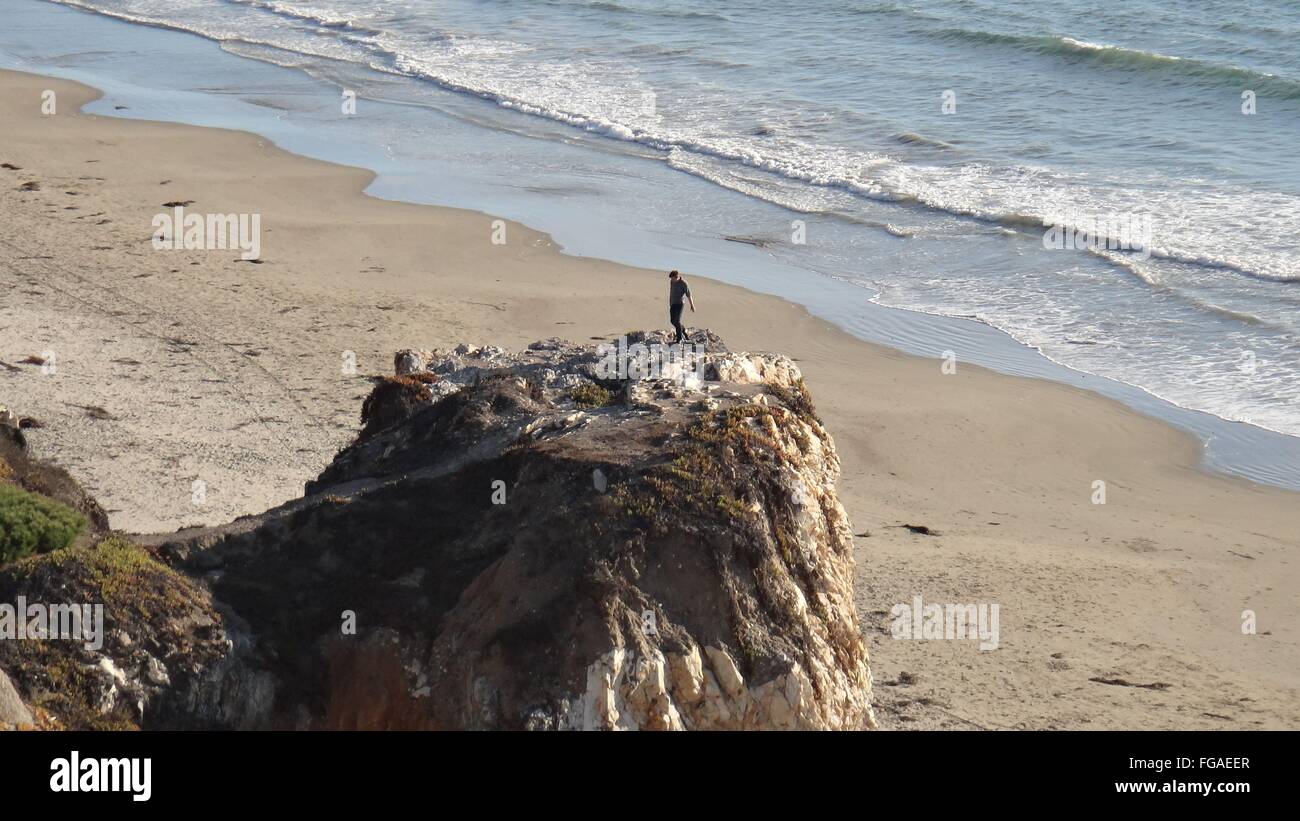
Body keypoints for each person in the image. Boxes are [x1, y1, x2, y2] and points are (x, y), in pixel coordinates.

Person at [667, 269, 695, 344]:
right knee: (672, 321)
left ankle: (679, 339)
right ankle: (683, 330)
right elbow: (671, 291)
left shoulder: (684, 283)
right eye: (671, 279)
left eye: (673, 278)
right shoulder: (672, 282)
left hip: (680, 304)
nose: (672, 280)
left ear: (677, 277)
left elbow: (689, 295)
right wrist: (669, 300)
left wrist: (692, 306)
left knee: (677, 320)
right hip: (673, 303)